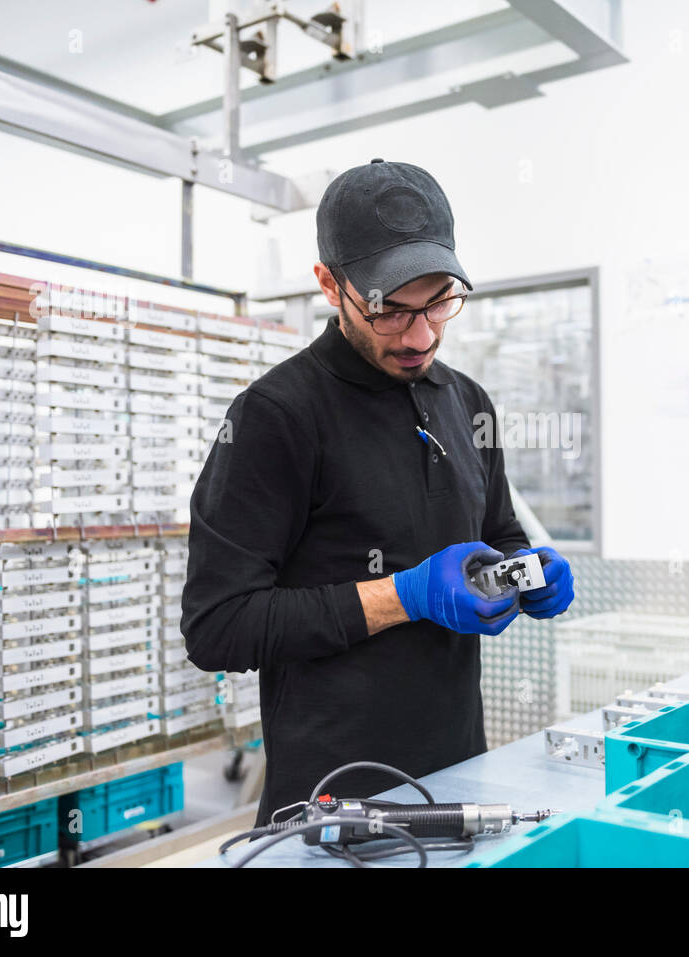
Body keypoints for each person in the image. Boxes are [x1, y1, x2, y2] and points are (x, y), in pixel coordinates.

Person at [181, 158, 575, 826]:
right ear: (330, 285)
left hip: (459, 780)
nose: (420, 336)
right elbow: (217, 626)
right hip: (333, 803)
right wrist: (405, 595)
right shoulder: (276, 416)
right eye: (391, 309)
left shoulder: (466, 400)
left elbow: (498, 528)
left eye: (438, 302)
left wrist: (525, 566)